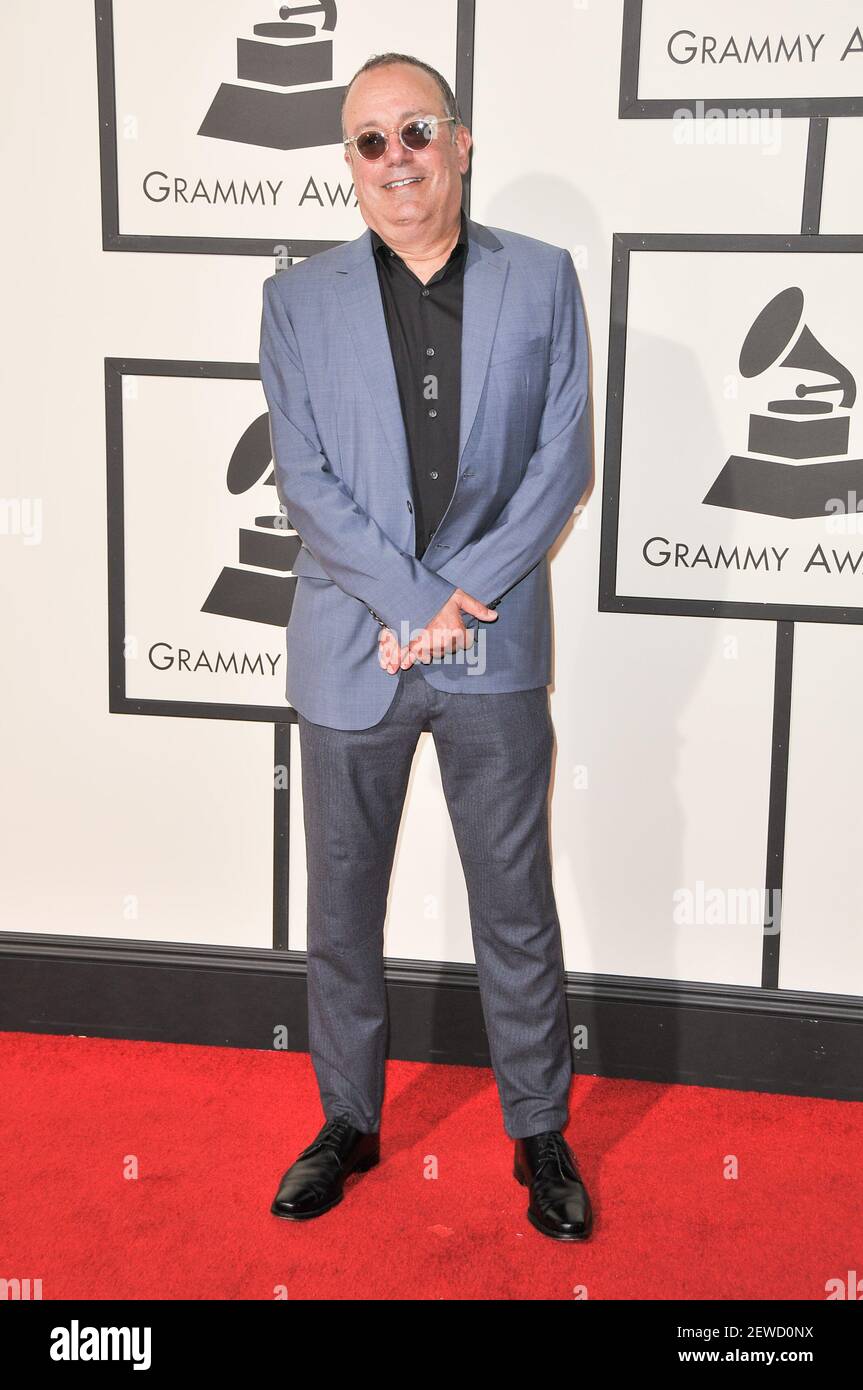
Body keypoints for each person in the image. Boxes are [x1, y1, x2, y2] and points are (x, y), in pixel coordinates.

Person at [258, 52, 594, 1241]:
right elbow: (306, 481)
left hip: (490, 646)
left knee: (515, 899)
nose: (394, 159)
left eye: (415, 132)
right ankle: (346, 1119)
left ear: (458, 144)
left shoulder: (544, 279)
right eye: (368, 142)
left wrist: (455, 599)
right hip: (354, 648)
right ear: (349, 167)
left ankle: (538, 1131)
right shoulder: (297, 302)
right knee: (343, 907)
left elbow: (563, 463)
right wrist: (412, 603)